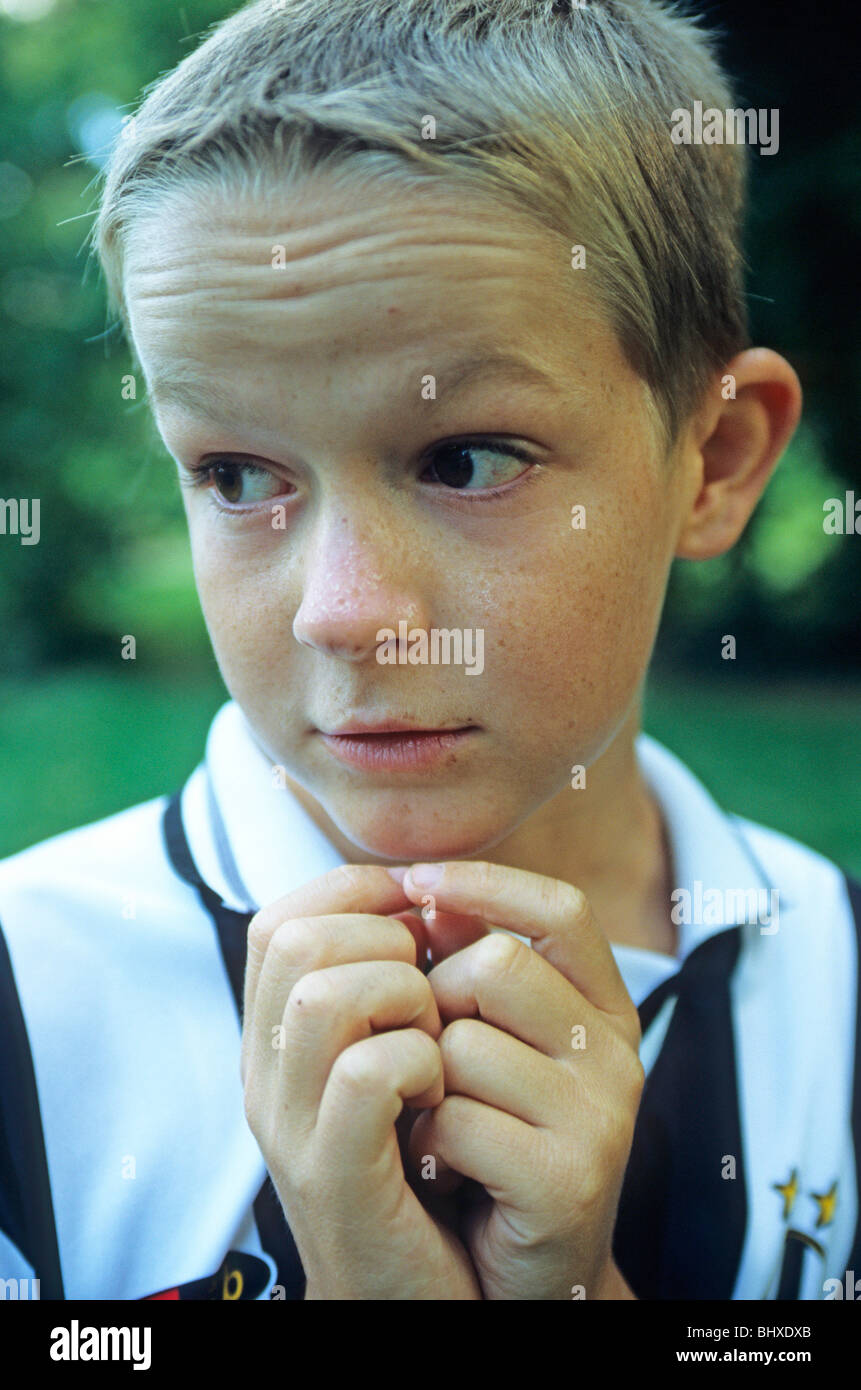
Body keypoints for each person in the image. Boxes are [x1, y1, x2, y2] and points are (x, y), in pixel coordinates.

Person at [1, 0, 858, 1301]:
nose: (340, 611)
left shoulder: (837, 991)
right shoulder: (26, 1014)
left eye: (464, 460)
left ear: (714, 460)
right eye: (235, 473)